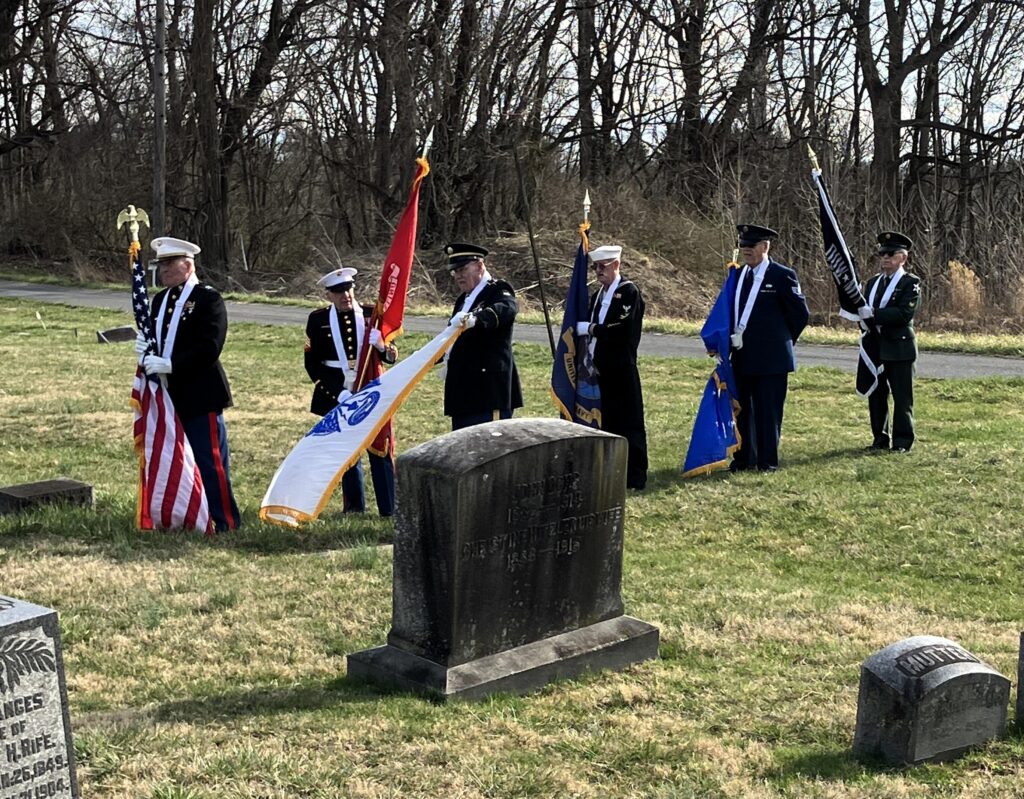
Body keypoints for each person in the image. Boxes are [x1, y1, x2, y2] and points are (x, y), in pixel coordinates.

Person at [135, 236, 241, 531]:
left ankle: (224, 520)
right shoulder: (161, 299)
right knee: (174, 459)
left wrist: (173, 364)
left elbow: (210, 346)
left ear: (187, 264)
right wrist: (146, 349)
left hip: (200, 392)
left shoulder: (207, 299)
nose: (163, 270)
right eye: (161, 264)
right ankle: (185, 515)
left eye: (169, 264)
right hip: (169, 394)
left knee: (209, 462)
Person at [304, 267, 398, 514]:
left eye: (348, 289)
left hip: (370, 387)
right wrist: (337, 392)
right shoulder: (318, 319)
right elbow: (313, 363)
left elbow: (390, 356)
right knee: (345, 450)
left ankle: (389, 507)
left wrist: (382, 346)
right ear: (329, 296)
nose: (345, 295)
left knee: (380, 446)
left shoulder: (371, 314)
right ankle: (354, 507)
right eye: (338, 292)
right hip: (337, 389)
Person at [729, 224, 810, 472]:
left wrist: (781, 340)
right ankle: (744, 458)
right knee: (743, 411)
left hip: (772, 358)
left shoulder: (781, 275)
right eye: (742, 245)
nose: (746, 251)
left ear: (765, 246)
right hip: (743, 356)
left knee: (768, 412)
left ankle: (767, 461)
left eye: (751, 246)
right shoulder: (738, 274)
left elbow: (799, 315)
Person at [575, 244, 648, 490]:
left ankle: (635, 477)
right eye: (595, 267)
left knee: (629, 423)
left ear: (616, 265)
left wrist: (593, 329)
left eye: (602, 267)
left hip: (621, 368)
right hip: (598, 369)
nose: (598, 271)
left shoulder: (628, 292)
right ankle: (610, 472)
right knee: (606, 424)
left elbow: (622, 329)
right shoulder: (597, 296)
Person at [442, 242, 523, 430]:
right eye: (455, 271)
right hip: (464, 394)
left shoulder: (497, 290)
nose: (458, 276)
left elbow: (507, 309)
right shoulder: (464, 300)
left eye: (462, 269)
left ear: (480, 266)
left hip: (487, 392)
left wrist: (477, 319)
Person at [857, 231, 920, 452]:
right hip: (876, 346)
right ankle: (880, 438)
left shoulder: (910, 283)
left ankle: (902, 441)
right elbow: (864, 311)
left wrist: (873, 313)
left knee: (902, 397)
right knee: (877, 395)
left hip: (900, 347)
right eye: (882, 253)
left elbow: (904, 314)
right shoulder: (873, 282)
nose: (885, 258)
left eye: (891, 254)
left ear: (903, 258)